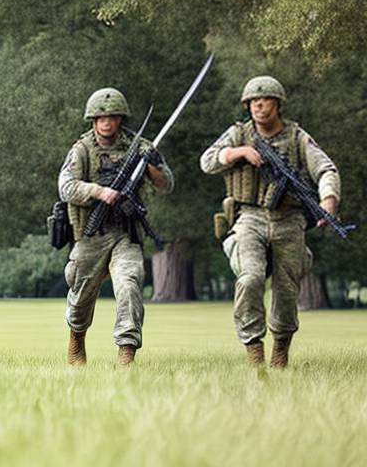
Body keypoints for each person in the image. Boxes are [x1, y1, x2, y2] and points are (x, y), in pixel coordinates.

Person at [200, 75, 341, 369]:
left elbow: (326, 169)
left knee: (287, 290)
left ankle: (281, 351)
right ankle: (254, 351)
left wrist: (328, 200)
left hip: (289, 220)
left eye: (263, 100)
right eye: (252, 101)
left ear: (278, 104)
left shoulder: (297, 137)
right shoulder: (239, 134)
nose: (257, 106)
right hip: (249, 217)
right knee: (249, 277)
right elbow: (208, 160)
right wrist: (238, 152)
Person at [58, 87, 173, 367]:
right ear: (93, 120)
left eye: (112, 116)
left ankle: (126, 353)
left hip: (127, 232)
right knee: (81, 294)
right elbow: (66, 187)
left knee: (129, 283)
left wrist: (151, 168)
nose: (106, 122)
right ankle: (76, 340)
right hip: (91, 234)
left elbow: (166, 184)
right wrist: (98, 192)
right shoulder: (82, 149)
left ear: (121, 118)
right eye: (101, 117)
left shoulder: (141, 147)